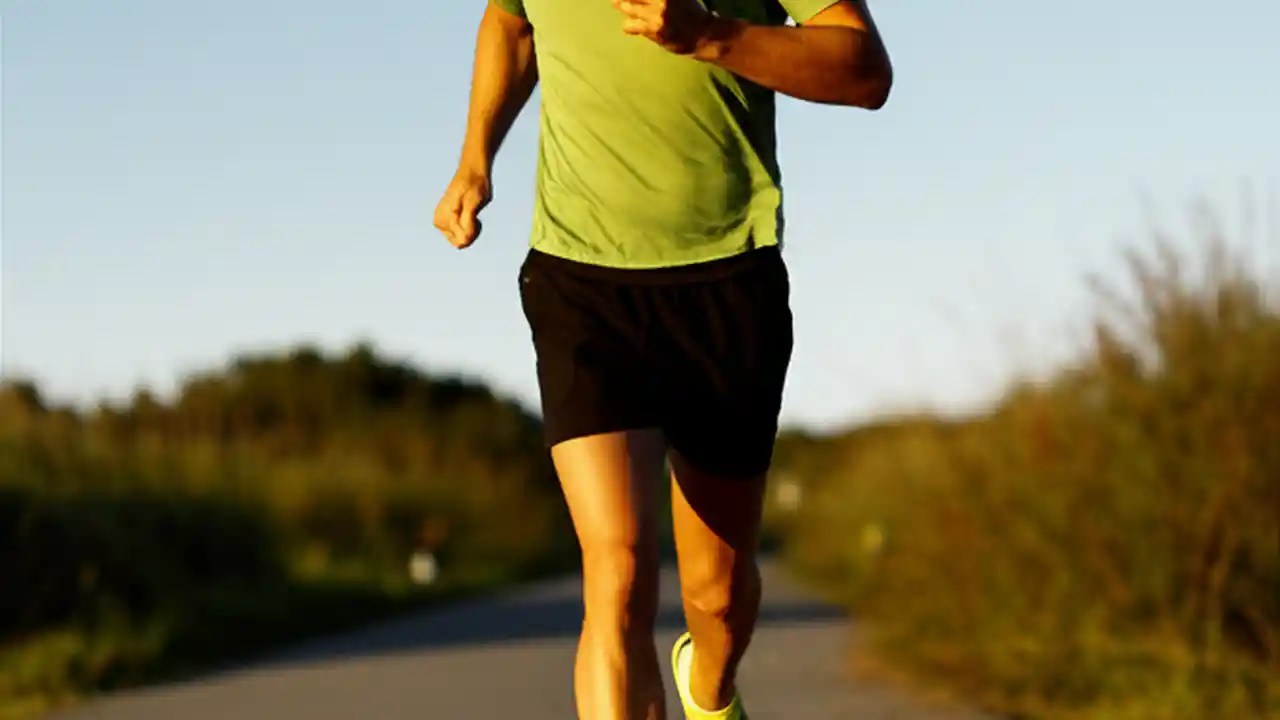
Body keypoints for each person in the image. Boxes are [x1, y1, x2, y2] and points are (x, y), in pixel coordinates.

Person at [434, 0, 891, 717]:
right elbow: (510, 22)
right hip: (580, 276)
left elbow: (865, 69)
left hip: (727, 281)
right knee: (615, 573)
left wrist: (713, 35)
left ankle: (711, 692)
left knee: (718, 594)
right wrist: (474, 159)